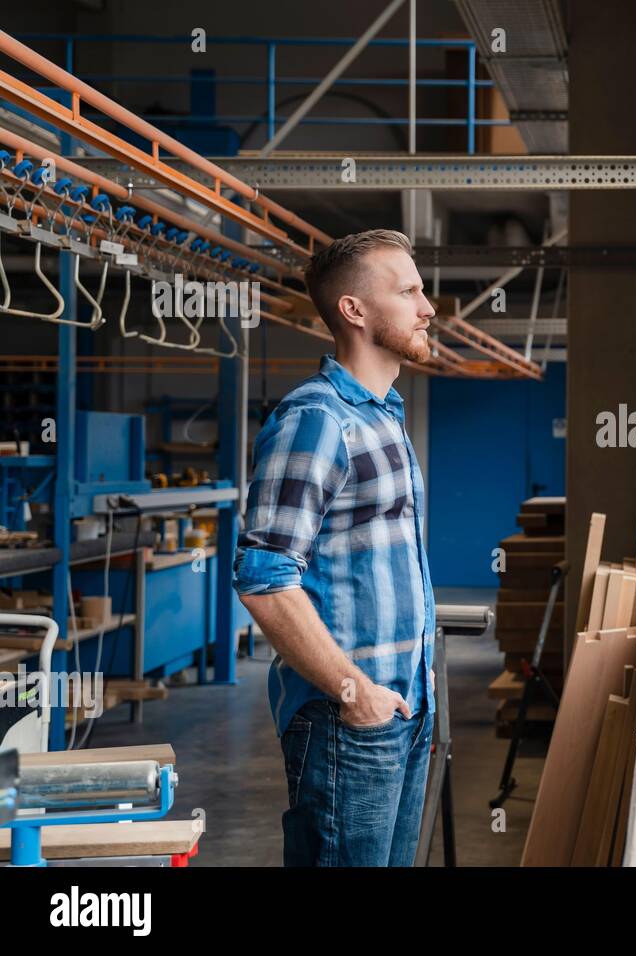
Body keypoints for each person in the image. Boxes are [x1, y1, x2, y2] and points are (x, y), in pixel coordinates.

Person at [233, 229, 438, 867]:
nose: (428, 307)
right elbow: (264, 577)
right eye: (408, 292)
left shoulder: (383, 416)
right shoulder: (318, 420)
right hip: (347, 719)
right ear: (354, 310)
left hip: (403, 707)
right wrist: (357, 694)